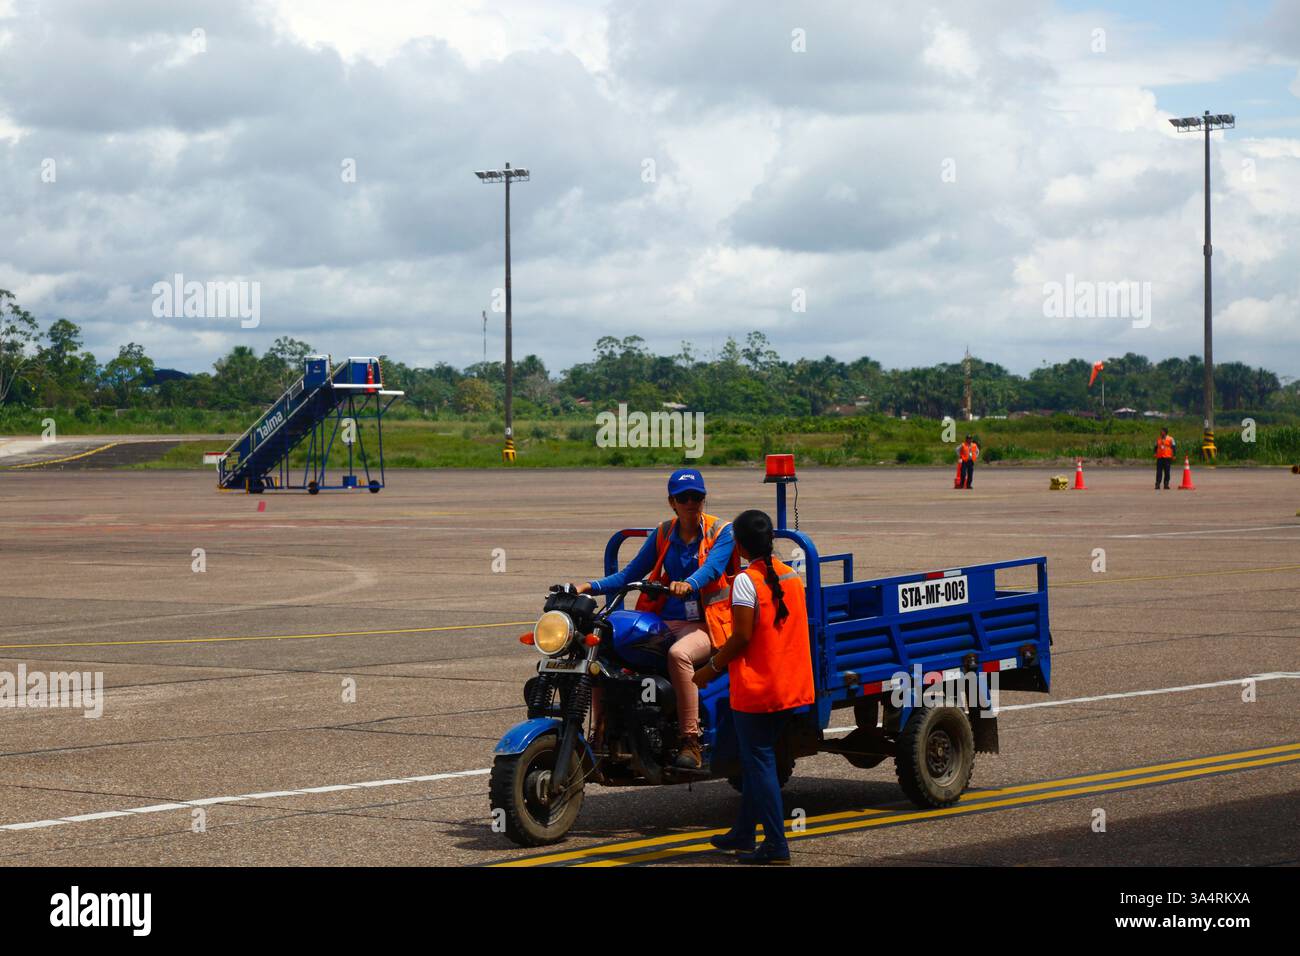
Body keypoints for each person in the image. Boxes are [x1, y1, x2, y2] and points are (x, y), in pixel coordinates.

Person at [569, 468, 736, 770]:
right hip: (667, 620)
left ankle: (690, 740)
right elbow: (628, 575)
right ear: (671, 501)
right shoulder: (663, 533)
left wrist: (690, 583)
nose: (691, 502)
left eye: (696, 497)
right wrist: (589, 587)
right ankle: (602, 733)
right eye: (683, 497)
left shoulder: (722, 532)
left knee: (679, 655)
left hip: (709, 624)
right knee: (606, 647)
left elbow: (712, 568)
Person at [693, 509, 813, 865]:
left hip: (758, 689)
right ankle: (744, 833)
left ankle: (777, 846)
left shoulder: (746, 581)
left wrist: (710, 669)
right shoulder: (791, 576)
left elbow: (741, 637)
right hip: (789, 687)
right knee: (756, 761)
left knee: (759, 766)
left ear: (740, 546)